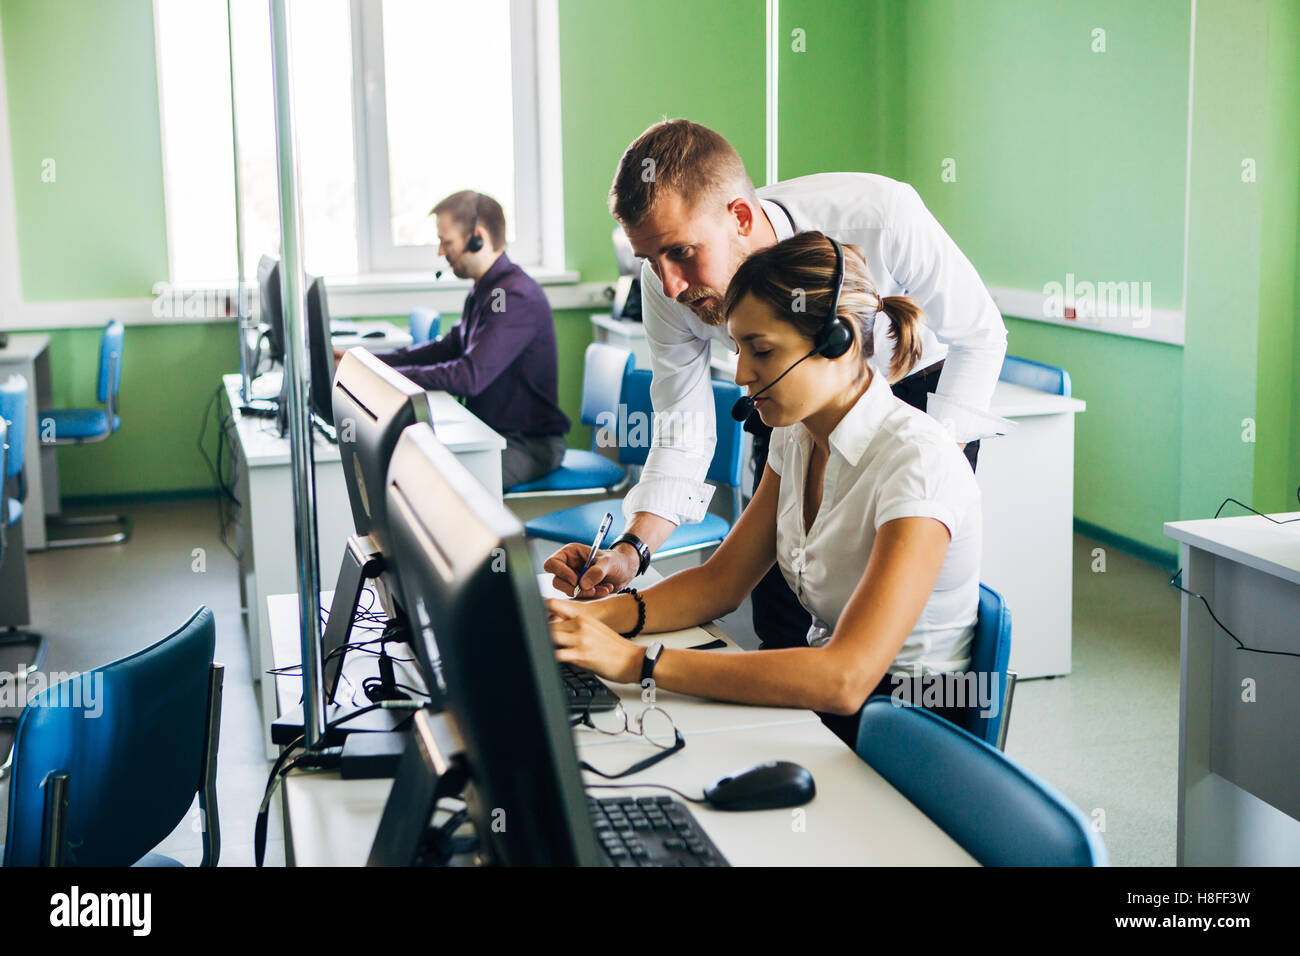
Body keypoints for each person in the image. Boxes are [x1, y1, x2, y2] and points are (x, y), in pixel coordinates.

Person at [543, 120, 1006, 652]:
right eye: (650, 260)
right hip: (792, 404)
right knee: (783, 612)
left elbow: (980, 335)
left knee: (882, 618)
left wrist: (927, 461)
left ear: (740, 216)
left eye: (680, 253)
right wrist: (630, 551)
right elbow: (683, 432)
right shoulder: (671, 289)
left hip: (915, 392)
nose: (668, 284)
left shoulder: (879, 215)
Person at [547, 232, 981, 744]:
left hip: (904, 729)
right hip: (827, 697)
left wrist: (635, 662)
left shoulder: (918, 461)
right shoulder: (796, 437)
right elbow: (719, 584)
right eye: (737, 348)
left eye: (761, 350)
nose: (742, 374)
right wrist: (583, 620)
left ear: (836, 340)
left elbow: (846, 678)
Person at [339, 190, 570, 489]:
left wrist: (381, 376)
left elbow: (468, 376)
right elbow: (445, 348)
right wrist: (367, 362)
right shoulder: (485, 290)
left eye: (446, 242)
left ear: (478, 238)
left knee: (427, 485)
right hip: (491, 434)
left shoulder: (514, 297)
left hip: (526, 445)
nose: (440, 252)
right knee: (409, 464)